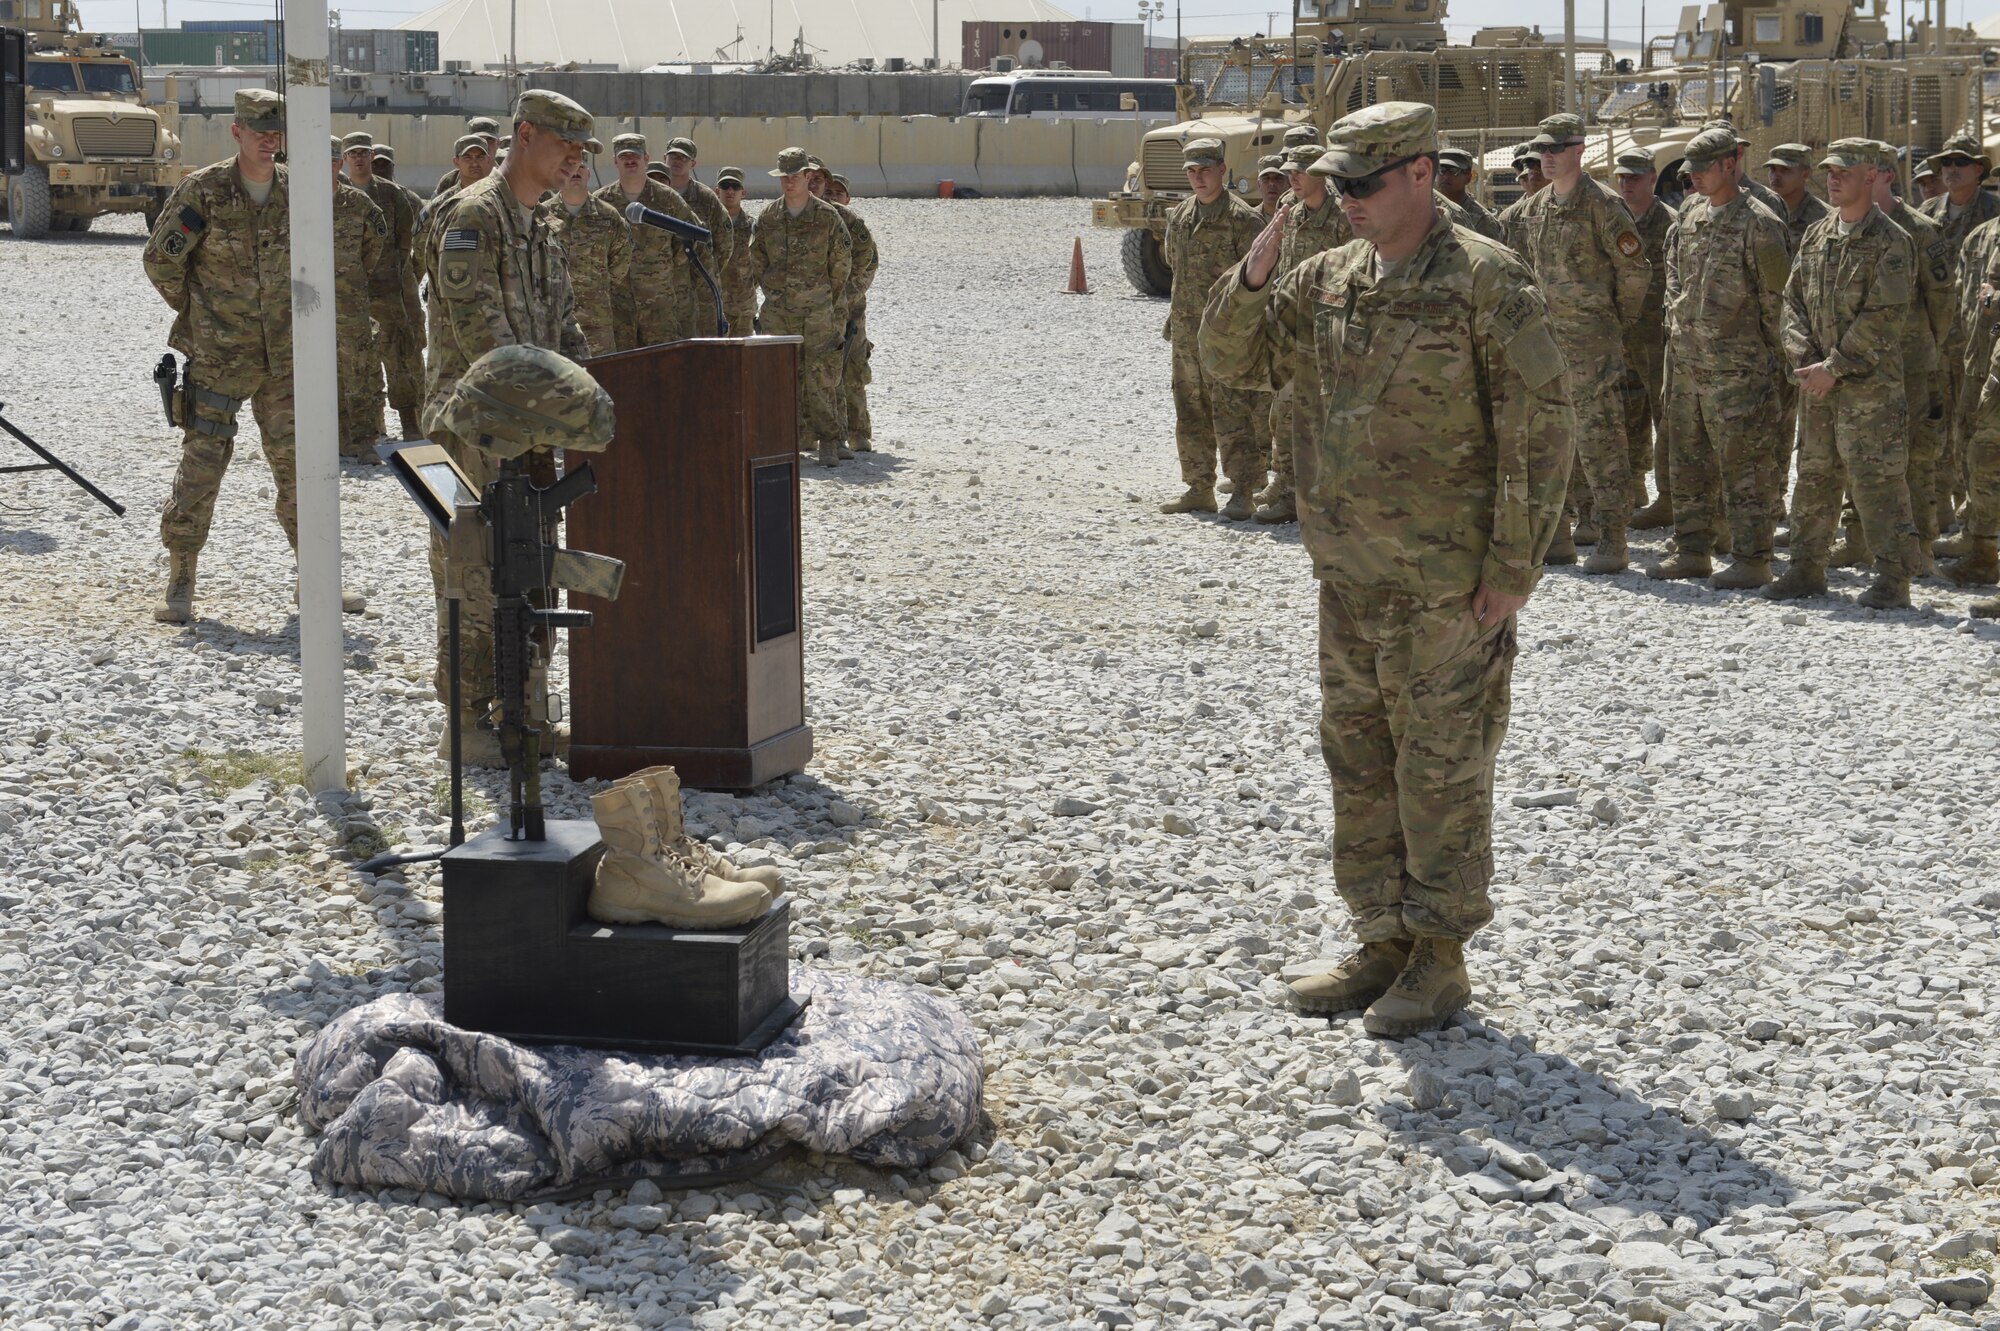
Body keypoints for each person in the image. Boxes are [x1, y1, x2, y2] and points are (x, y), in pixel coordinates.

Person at [1198, 102, 1571, 1037]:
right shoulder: (1328, 280)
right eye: (1336, 184)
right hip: (1349, 574)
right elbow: (1231, 362)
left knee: (1440, 768)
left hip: (1446, 583)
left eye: (1363, 183)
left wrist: (1514, 567)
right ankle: (1381, 938)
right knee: (1359, 761)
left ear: (1420, 174)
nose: (1345, 200)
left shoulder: (1488, 281)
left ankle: (1440, 957)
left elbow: (1542, 427)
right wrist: (1252, 274)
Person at [144, 90, 366, 624]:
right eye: (259, 129)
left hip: (289, 356)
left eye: (276, 131)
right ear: (236, 131)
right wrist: (203, 315)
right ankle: (181, 575)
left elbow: (323, 262)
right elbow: (160, 262)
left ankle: (314, 578)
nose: (270, 140)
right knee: (203, 463)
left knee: (301, 468)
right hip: (221, 354)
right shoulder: (205, 192)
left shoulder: (299, 192)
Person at [422, 89, 593, 762]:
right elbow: (481, 339)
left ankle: (524, 711)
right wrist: (559, 403)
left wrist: (596, 393)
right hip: (473, 430)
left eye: (581, 153)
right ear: (524, 136)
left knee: (528, 568)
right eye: (563, 147)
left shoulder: (543, 227)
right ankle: (465, 726)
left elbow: (568, 328)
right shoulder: (474, 219)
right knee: (472, 572)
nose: (572, 163)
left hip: (530, 432)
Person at [1767, 138, 1919, 609]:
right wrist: (1805, 360)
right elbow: (1791, 302)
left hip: (1867, 391)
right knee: (1814, 476)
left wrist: (1832, 368)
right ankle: (1806, 569)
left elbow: (1883, 317)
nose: (1833, 179)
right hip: (1816, 385)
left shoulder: (1893, 241)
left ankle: (1893, 578)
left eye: (1844, 172)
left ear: (1871, 177)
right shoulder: (1817, 234)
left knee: (1876, 482)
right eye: (1830, 171)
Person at [1645, 127, 1792, 589]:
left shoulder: (1760, 223)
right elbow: (1673, 270)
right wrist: (1675, 315)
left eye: (1704, 170)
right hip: (1688, 363)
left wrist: (1776, 368)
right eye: (1690, 172)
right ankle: (1693, 550)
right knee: (1686, 461)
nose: (1695, 180)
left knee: (1745, 466)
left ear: (1730, 164)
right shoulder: (1689, 214)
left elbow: (1778, 301)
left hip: (1740, 368)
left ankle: (1752, 558)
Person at [1510, 112, 1650, 573]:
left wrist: (1612, 322)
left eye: (1555, 149)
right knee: (1552, 437)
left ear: (1579, 150)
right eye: (1541, 151)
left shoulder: (1603, 205)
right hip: (1547, 344)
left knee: (1600, 438)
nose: (1546, 158)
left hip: (1592, 343)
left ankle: (1613, 538)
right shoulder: (1536, 207)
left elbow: (1634, 271)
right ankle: (1560, 532)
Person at [1159, 137, 1267, 520]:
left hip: (1227, 335)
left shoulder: (1244, 219)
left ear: (1223, 170)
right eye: (1191, 170)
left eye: (1205, 169)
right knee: (1190, 409)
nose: (1198, 177)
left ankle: (1243, 491)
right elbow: (1175, 265)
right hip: (1187, 332)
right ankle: (1198, 487)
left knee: (1233, 410)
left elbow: (1262, 280)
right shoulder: (1181, 216)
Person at [1252, 142, 1352, 526]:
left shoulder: (1342, 218)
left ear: (1322, 174)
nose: (1291, 176)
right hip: (1294, 326)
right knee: (1284, 410)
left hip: (1329, 330)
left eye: (1300, 170)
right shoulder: (1290, 216)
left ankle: (1314, 492)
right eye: (1289, 169)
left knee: (1323, 415)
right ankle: (1285, 484)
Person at [1866, 140, 1953, 569]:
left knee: (1915, 458)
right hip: (1861, 364)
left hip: (1910, 364)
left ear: (1884, 175)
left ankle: (1919, 546)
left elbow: (1942, 302)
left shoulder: (1920, 230)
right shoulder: (1845, 225)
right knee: (1861, 455)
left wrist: (1924, 347)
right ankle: (1862, 540)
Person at [748, 146, 852, 467]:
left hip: (818, 312)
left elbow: (841, 264)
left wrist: (821, 296)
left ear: (808, 177)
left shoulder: (827, 217)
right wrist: (776, 291)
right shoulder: (769, 217)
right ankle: (783, 440)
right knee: (780, 378)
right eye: (784, 177)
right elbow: (757, 259)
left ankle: (829, 442)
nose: (789, 183)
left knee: (821, 376)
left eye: (795, 176)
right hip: (779, 312)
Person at [1920, 134, 2000, 535]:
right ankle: (1942, 509)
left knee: (1973, 426)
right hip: (1936, 336)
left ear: (1979, 171)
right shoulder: (1929, 212)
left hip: (1979, 340)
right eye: (1946, 163)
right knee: (1936, 422)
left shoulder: (1993, 213)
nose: (1951, 170)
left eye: (1960, 163)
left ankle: (1975, 517)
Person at [341, 131, 427, 442]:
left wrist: (406, 279)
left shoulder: (394, 196)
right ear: (345, 159)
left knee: (400, 358)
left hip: (389, 292)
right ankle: (369, 430)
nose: (360, 158)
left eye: (364, 152)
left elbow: (410, 242)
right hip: (350, 294)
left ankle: (410, 423)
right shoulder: (336, 193)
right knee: (356, 364)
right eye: (354, 153)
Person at [1614, 149, 1676, 528]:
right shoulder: (1614, 219)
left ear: (1653, 179)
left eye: (1635, 177)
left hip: (1657, 337)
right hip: (1622, 335)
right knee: (1626, 415)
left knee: (1663, 418)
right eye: (1622, 177)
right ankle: (1634, 487)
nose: (1627, 183)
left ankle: (1669, 497)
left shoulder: (1669, 223)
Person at [596, 132, 699, 347]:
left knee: (662, 371)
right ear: (615, 161)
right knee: (623, 371)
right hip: (618, 309)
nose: (630, 160)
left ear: (646, 158)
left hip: (659, 308)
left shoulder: (667, 199)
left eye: (635, 155)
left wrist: (665, 270)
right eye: (623, 156)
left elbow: (691, 235)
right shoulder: (601, 202)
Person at [809, 164, 878, 455]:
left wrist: (844, 296)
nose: (830, 193)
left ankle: (858, 432)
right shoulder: (803, 217)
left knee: (852, 368)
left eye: (838, 191)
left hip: (850, 309)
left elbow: (868, 263)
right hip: (814, 309)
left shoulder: (848, 221)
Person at [330, 137, 388, 462]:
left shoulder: (359, 203)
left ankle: (364, 440)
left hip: (350, 300)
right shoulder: (293, 201)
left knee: (359, 368)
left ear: (340, 163)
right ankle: (329, 437)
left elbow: (376, 239)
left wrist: (355, 271)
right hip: (307, 302)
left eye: (332, 161)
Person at [549, 153, 635, 356]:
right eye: (569, 167)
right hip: (555, 322)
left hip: (597, 323)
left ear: (588, 174)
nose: (575, 172)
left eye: (581, 167)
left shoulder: (608, 215)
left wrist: (598, 287)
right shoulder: (543, 215)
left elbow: (622, 258)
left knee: (602, 379)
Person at [661, 135, 733, 332]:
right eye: (673, 156)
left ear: (693, 163)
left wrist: (707, 266)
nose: (677, 161)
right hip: (663, 284)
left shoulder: (705, 197)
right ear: (664, 158)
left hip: (700, 287)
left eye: (683, 158)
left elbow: (724, 241)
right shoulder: (655, 194)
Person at [715, 166, 758, 335]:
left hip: (743, 308)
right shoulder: (708, 224)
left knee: (742, 358)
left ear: (744, 192)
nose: (730, 191)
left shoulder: (753, 226)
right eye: (725, 186)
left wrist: (747, 287)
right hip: (713, 306)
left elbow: (762, 263)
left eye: (735, 186)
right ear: (717, 191)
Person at [1763, 143, 1829, 249]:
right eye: (1772, 169)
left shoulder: (1824, 220)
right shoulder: (1762, 212)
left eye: (1785, 170)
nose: (1776, 176)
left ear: (1805, 175)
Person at [1434, 148, 1506, 243]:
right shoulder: (1426, 209)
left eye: (1453, 171)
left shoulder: (1484, 221)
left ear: (1468, 177)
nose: (1446, 176)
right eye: (1441, 170)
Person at [435, 116, 501, 195]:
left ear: (498, 144)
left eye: (490, 140)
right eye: (479, 140)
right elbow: (435, 205)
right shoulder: (451, 180)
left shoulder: (506, 178)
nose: (485, 144)